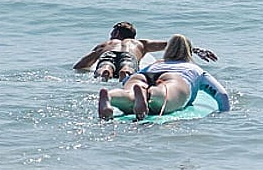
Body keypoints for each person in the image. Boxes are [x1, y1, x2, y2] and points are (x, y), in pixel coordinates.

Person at [97, 34, 230, 120]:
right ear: (189, 53)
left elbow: (126, 80)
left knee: (128, 92)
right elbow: (221, 94)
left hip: (142, 75)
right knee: (164, 91)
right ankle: (151, 95)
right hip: (175, 77)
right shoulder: (194, 69)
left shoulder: (155, 64)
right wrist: (225, 116)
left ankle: (109, 96)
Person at [74, 21, 217, 81]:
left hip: (107, 55)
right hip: (129, 56)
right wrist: (197, 50)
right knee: (127, 67)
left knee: (105, 66)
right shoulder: (141, 43)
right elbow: (173, 44)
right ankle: (125, 72)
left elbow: (82, 64)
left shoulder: (106, 44)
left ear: (117, 33)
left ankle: (105, 71)